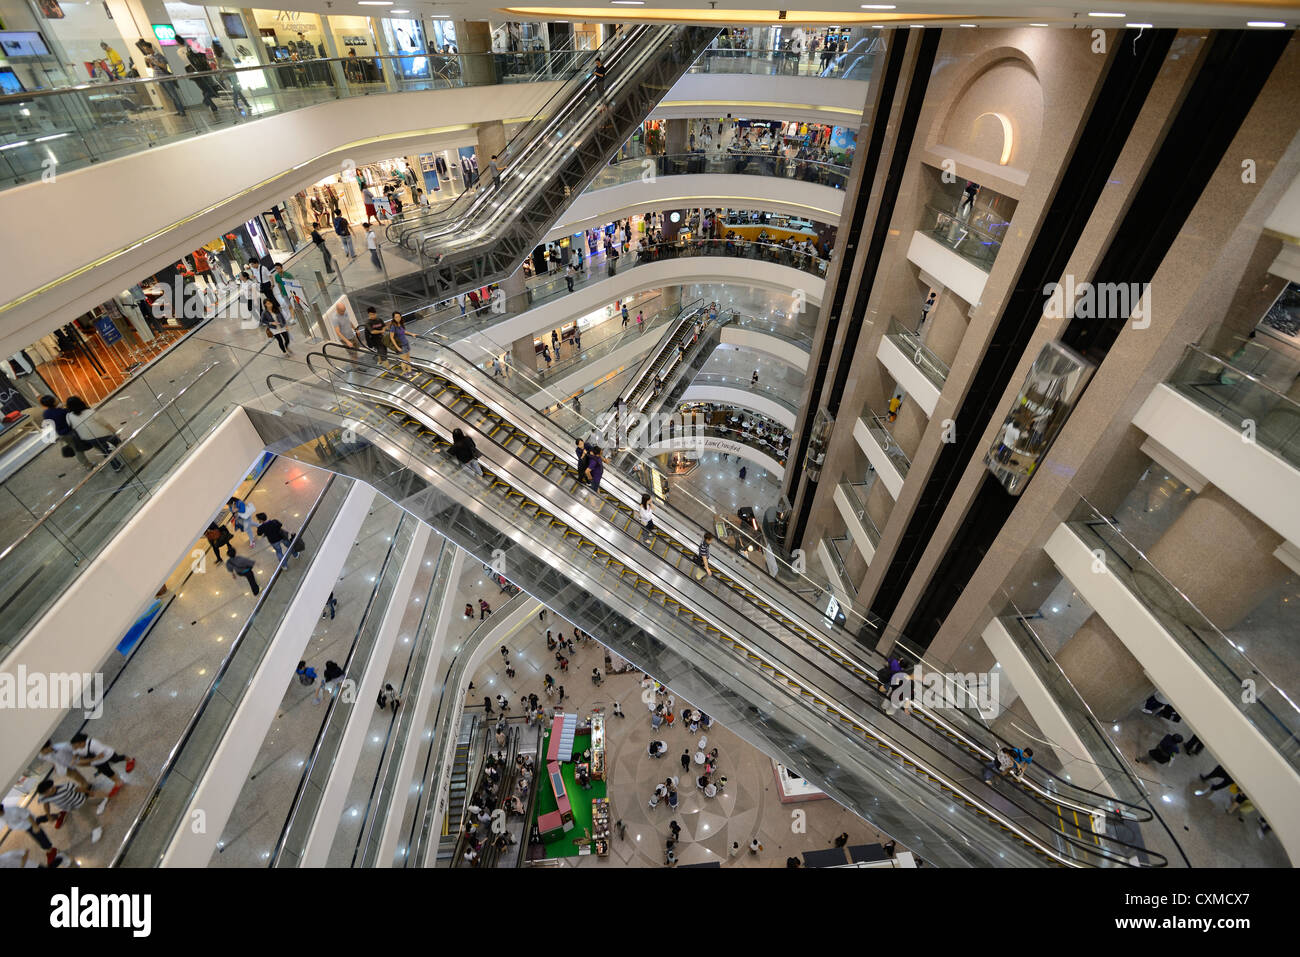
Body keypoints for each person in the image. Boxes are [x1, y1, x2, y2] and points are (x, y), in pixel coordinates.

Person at [35, 779, 103, 843]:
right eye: (43, 794)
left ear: (50, 789)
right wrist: (48, 815)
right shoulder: (44, 796)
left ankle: (96, 828)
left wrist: (89, 792)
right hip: (70, 807)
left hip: (78, 802)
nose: (44, 795)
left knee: (87, 816)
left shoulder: (65, 787)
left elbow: (78, 789)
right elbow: (46, 804)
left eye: (45, 793)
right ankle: (102, 800)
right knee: (88, 803)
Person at [64, 396, 122, 469]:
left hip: (88, 438)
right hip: (103, 435)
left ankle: (116, 466)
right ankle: (124, 458)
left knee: (104, 450)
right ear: (81, 402)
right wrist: (115, 431)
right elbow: (105, 424)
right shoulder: (90, 412)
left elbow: (72, 426)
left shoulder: (68, 416)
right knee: (116, 442)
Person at [40, 395, 92, 469]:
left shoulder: (45, 413)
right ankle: (88, 465)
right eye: (55, 398)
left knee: (75, 448)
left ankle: (87, 465)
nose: (57, 398)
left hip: (61, 434)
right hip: (70, 433)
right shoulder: (62, 411)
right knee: (78, 450)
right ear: (54, 402)